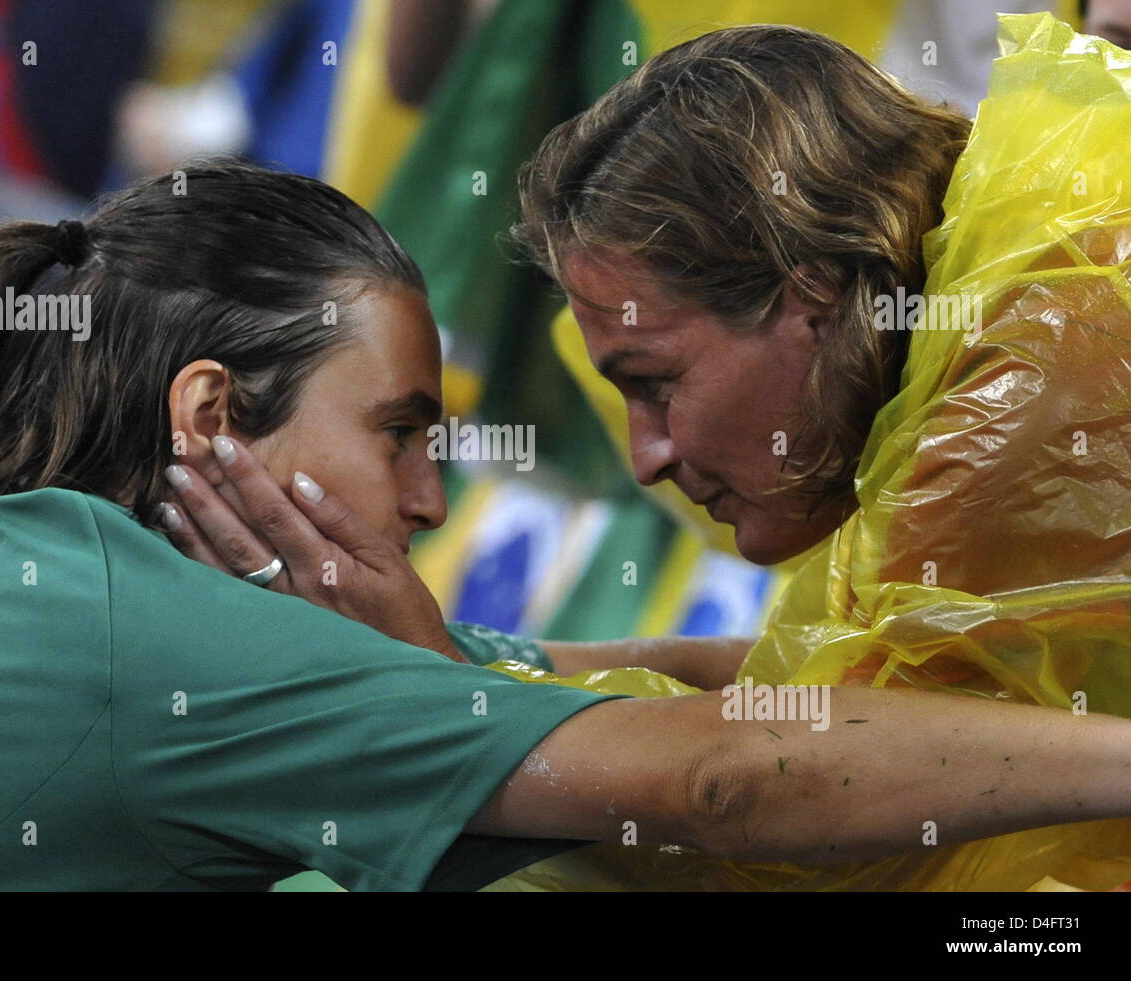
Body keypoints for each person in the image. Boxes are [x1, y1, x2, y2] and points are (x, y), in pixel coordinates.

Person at [0, 161, 1131, 894]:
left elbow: (680, 679)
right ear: (214, 416)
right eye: (398, 432)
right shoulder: (174, 645)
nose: (431, 503)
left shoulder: (32, 561)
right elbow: (716, 773)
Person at [163, 13, 1131, 891]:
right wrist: (452, 662)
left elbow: (794, 825)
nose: (645, 460)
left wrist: (445, 700)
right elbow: (803, 698)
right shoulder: (990, 282)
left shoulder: (1030, 373)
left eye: (655, 385)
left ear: (809, 288)